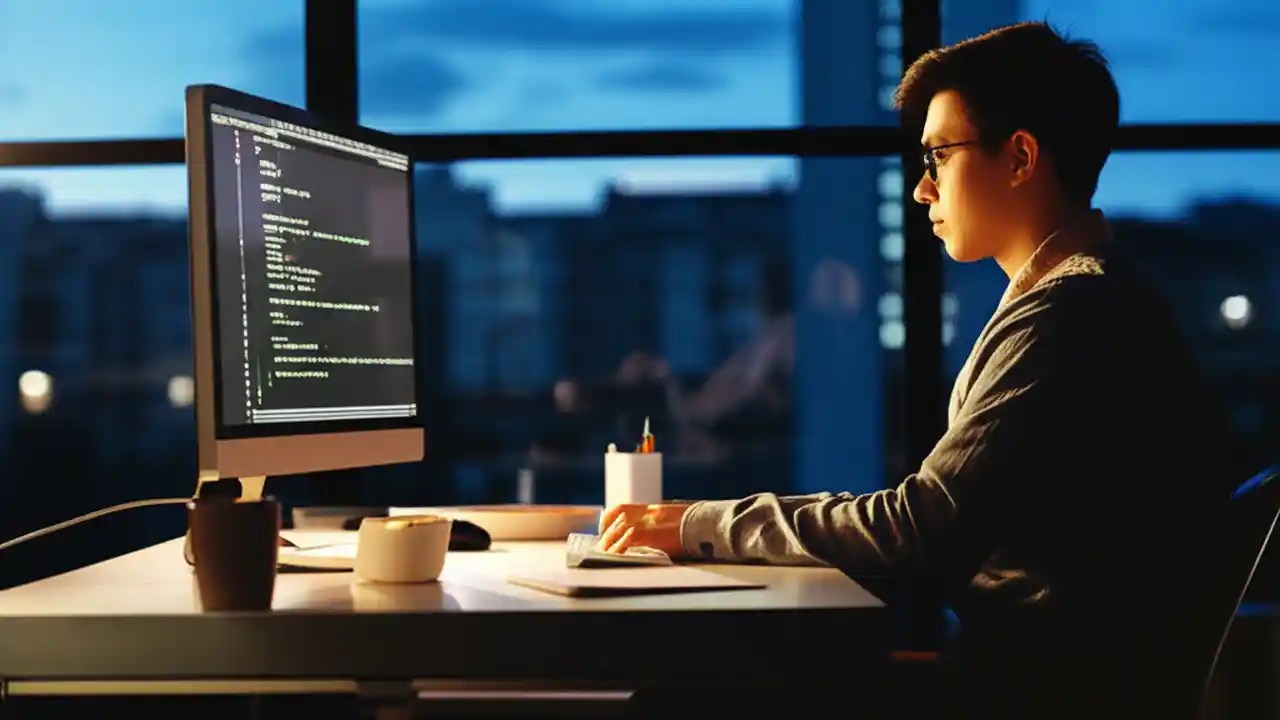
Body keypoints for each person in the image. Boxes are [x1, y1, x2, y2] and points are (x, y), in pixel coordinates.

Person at [601, 21, 1249, 720]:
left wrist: (697, 523)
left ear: (1020, 157)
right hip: (1036, 675)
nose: (921, 189)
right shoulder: (1089, 295)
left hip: (1034, 692)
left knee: (671, 696)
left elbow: (919, 526)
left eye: (939, 155)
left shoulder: (1071, 313)